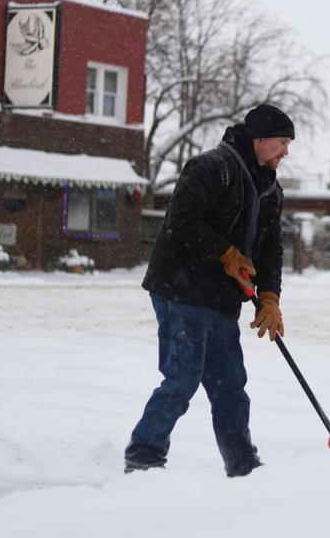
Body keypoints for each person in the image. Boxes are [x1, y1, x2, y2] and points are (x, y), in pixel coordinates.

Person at [124, 104, 293, 477]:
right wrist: (225, 252)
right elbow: (181, 221)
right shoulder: (212, 167)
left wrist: (269, 296)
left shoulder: (270, 188)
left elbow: (270, 248)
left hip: (221, 298)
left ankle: (242, 462)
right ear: (259, 139)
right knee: (182, 379)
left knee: (230, 385)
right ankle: (144, 455)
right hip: (180, 289)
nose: (286, 151)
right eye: (281, 142)